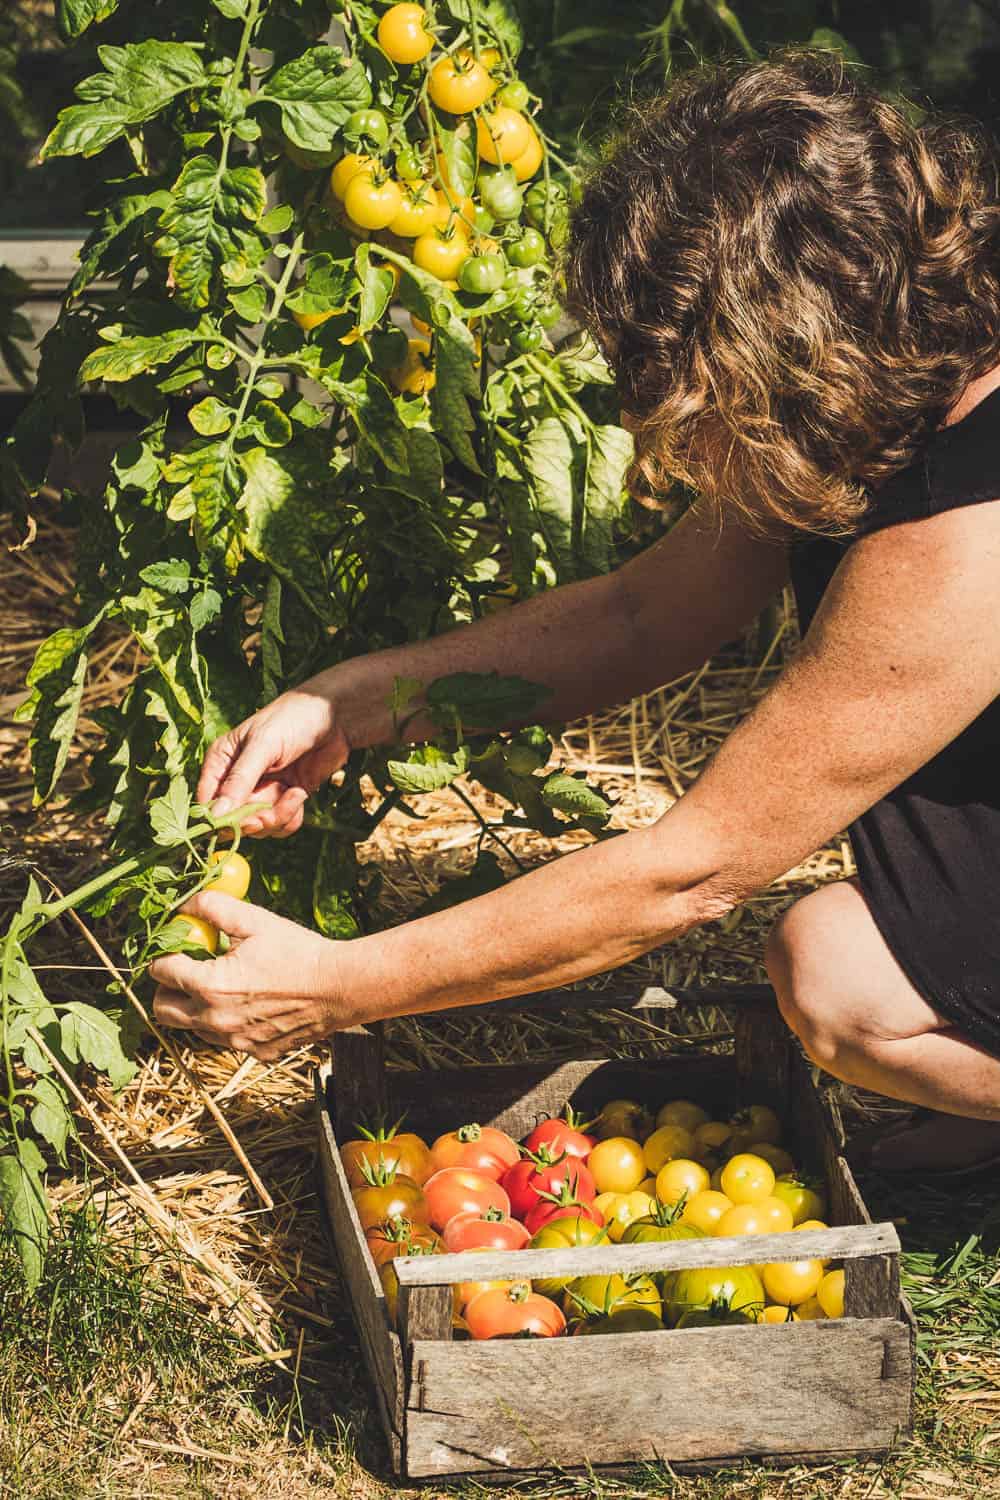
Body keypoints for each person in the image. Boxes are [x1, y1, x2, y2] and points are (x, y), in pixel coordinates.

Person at [151, 52, 1000, 1173]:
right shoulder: (892, 365)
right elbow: (646, 613)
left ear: (778, 348)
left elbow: (690, 871)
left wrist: (341, 987)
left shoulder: (965, 531)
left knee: (843, 985)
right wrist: (354, 702)